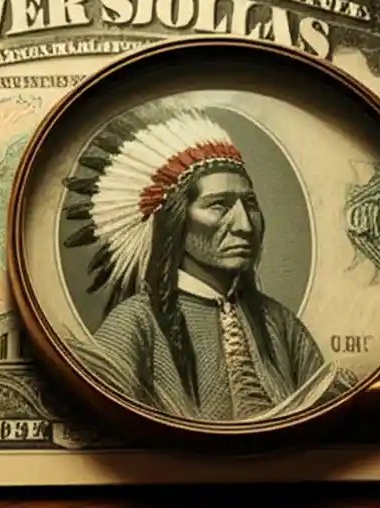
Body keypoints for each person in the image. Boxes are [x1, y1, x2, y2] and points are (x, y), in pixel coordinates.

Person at [61, 105, 354, 422]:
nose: (244, 224)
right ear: (175, 223)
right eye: (219, 205)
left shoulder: (281, 324)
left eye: (250, 204)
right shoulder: (135, 324)